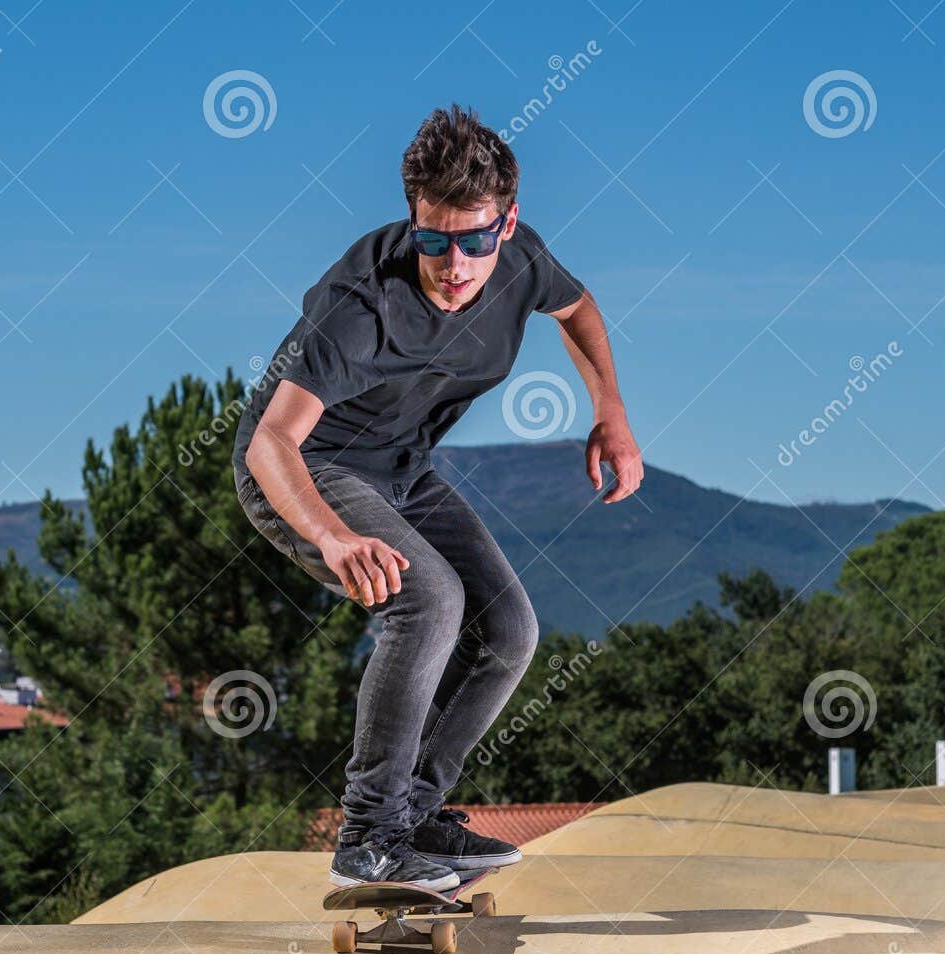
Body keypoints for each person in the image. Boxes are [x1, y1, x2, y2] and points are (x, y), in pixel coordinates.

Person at [232, 105, 643, 889]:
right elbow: (270, 443)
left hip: (399, 468)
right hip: (305, 469)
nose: (454, 265)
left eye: (474, 241)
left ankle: (415, 811)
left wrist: (610, 412)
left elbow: (579, 308)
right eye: (433, 240)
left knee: (510, 631)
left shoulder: (522, 263)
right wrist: (332, 537)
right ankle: (369, 837)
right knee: (427, 600)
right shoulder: (359, 305)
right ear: (412, 220)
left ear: (508, 224)